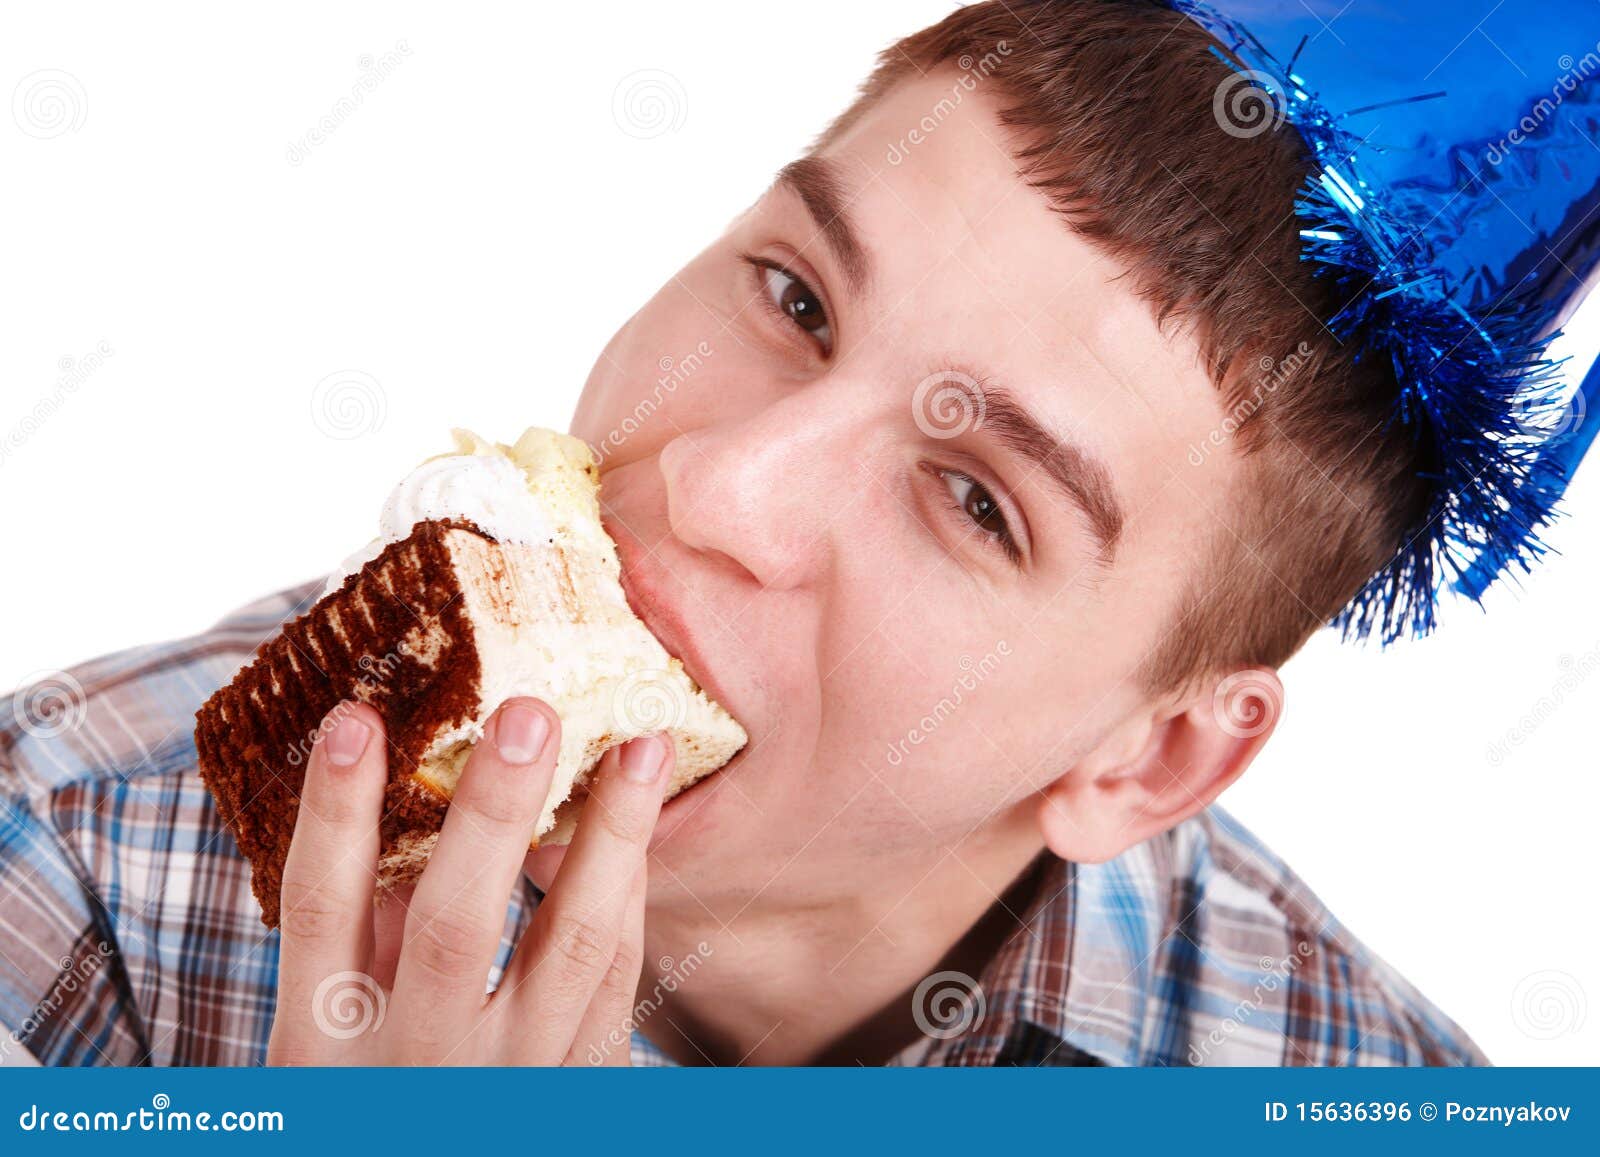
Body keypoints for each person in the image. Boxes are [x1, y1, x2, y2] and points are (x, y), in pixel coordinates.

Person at [6, 0, 1531, 1066]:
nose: (720, 485)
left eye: (976, 498)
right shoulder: (63, 891)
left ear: (1149, 760)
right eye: (797, 298)